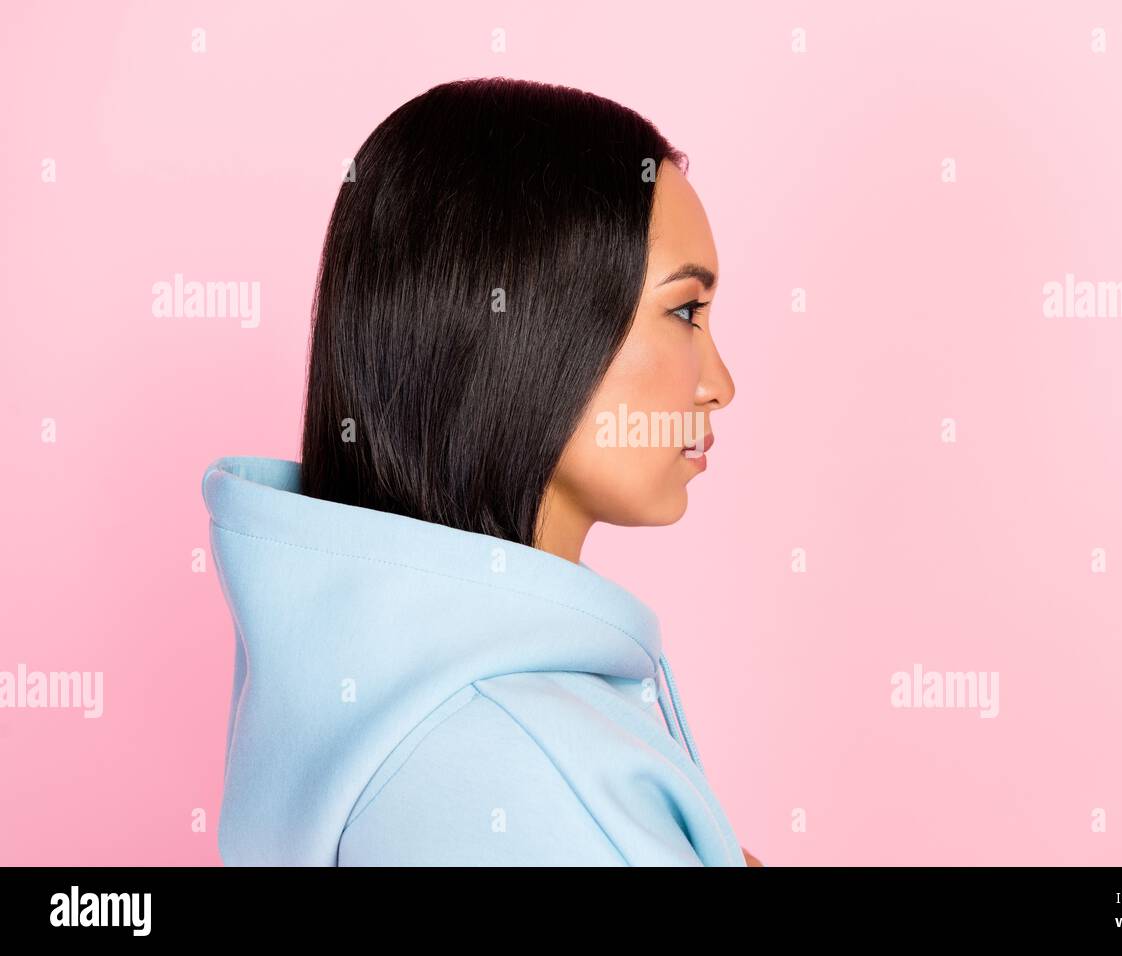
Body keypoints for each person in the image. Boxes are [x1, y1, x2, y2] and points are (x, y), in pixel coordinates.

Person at [202, 77, 759, 866]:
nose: (719, 384)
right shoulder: (522, 764)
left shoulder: (423, 723)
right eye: (684, 312)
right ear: (535, 321)